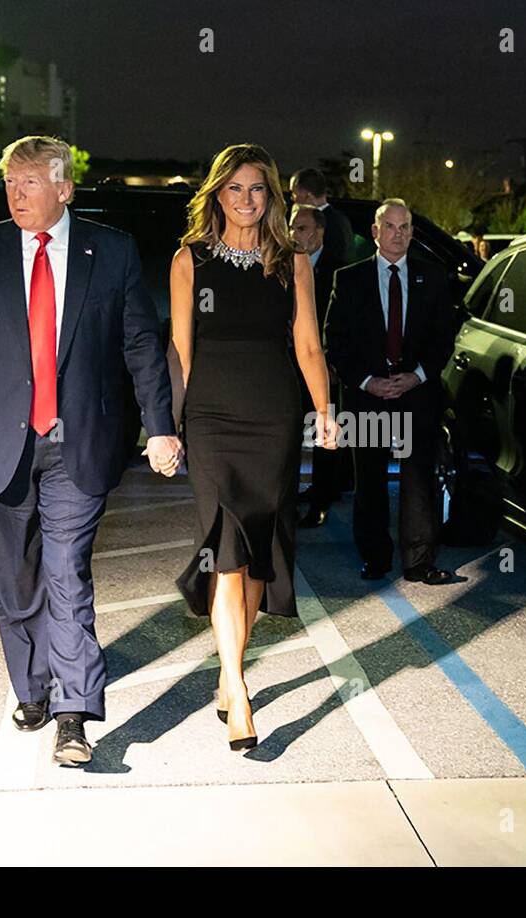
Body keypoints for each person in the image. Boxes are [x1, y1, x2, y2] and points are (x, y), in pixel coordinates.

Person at [0, 135, 182, 767]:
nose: (16, 195)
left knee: (67, 574)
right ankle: (33, 687)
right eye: (9, 183)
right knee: (15, 581)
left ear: (64, 188)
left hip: (81, 441)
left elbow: (140, 346)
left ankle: (75, 715)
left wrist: (159, 426)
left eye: (30, 183)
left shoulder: (113, 251)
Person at [171, 144, 336, 751]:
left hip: (273, 416)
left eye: (257, 189)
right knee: (225, 549)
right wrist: (169, 424)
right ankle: (237, 688)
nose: (246, 199)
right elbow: (181, 349)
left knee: (259, 551)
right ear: (217, 194)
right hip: (211, 418)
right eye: (235, 188)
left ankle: (228, 668)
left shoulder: (292, 263)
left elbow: (308, 345)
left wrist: (324, 411)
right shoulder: (189, 259)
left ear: (271, 196)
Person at [324, 199, 458, 585]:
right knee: (370, 479)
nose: (397, 234)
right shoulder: (349, 279)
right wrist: (368, 381)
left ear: (412, 233)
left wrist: (417, 376)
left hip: (417, 393)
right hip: (368, 395)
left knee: (419, 479)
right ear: (375, 232)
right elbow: (335, 341)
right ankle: (375, 557)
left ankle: (420, 562)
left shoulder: (432, 276)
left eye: (404, 227)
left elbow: (443, 336)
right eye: (390, 226)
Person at [290, 202, 351, 528]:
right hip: (287, 365)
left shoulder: (340, 271)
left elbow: (344, 324)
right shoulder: (280, 265)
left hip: (324, 367)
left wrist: (334, 364)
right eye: (290, 227)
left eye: (300, 228)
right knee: (288, 433)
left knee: (325, 433)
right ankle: (287, 500)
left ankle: (321, 500)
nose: (293, 234)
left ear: (319, 232)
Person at [290, 168, 355, 268]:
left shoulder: (331, 223)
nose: (292, 198)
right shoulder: (340, 219)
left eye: (293, 193)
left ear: (307, 195)